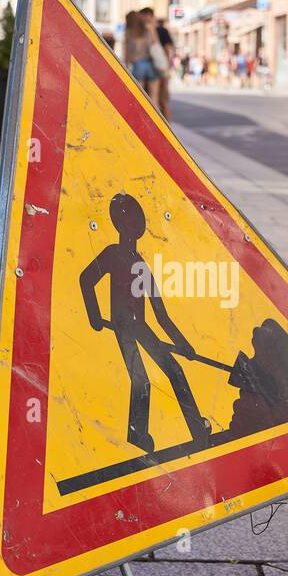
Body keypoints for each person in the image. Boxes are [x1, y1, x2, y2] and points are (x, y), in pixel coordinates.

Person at [79, 193, 209, 454]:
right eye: (129, 221)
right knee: (142, 380)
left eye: (136, 222)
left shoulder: (141, 265)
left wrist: (185, 346)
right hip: (123, 326)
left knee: (176, 371)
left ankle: (198, 430)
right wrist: (94, 317)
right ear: (119, 223)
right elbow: (86, 279)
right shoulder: (112, 254)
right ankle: (137, 435)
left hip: (142, 327)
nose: (134, 227)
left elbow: (161, 315)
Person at [140, 7, 173, 119]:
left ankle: (168, 130)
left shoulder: (161, 31)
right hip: (148, 71)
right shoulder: (141, 32)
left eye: (145, 16)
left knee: (162, 101)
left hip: (161, 69)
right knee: (149, 100)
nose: (144, 19)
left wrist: (167, 67)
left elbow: (168, 48)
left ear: (150, 16)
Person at [125, 10, 160, 109]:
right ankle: (156, 121)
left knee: (140, 98)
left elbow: (127, 51)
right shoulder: (147, 29)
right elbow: (155, 43)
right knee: (154, 98)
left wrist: (127, 65)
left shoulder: (129, 31)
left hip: (138, 65)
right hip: (151, 64)